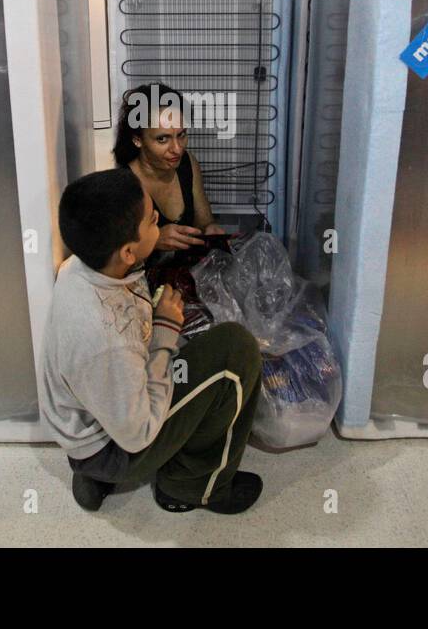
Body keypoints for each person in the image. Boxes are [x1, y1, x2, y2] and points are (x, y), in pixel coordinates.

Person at [39, 167, 264, 514]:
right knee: (236, 350)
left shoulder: (79, 267)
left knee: (193, 341)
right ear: (128, 251)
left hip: (87, 424)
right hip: (118, 444)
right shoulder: (106, 338)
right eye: (150, 220)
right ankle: (191, 487)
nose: (158, 219)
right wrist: (163, 334)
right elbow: (139, 431)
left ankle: (94, 475)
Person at [113, 82, 224, 254]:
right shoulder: (124, 185)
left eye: (181, 135)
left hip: (187, 275)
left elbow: (204, 222)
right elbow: (115, 257)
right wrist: (153, 242)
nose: (177, 149)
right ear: (137, 140)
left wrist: (211, 230)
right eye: (162, 139)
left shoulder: (188, 163)